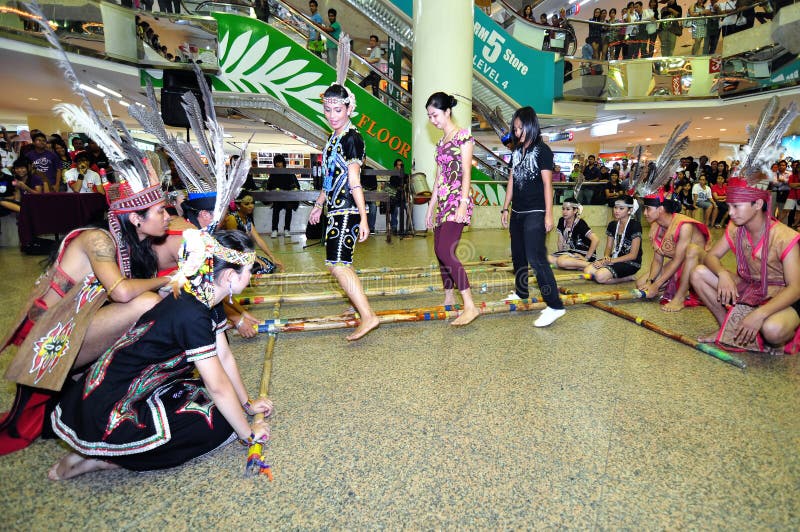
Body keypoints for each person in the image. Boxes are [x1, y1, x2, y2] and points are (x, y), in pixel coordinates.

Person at [48, 230, 273, 480]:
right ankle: (107, 459)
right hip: (112, 407)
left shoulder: (205, 297)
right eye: (249, 270)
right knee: (217, 423)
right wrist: (247, 434)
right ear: (230, 276)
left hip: (128, 389)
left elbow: (225, 357)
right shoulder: (193, 315)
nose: (252, 276)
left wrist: (246, 405)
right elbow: (219, 386)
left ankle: (101, 451)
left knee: (215, 403)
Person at [691, 178, 800, 353]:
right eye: (729, 206)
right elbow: (711, 256)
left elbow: (795, 288)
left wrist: (759, 314)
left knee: (773, 330)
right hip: (752, 287)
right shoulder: (735, 227)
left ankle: (777, 333)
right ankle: (725, 327)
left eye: (736, 206)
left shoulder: (785, 236)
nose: (731, 213)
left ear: (757, 204)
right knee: (698, 273)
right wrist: (722, 274)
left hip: (783, 293)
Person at [308, 84, 379, 340]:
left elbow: (354, 180)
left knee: (339, 265)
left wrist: (363, 217)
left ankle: (368, 316)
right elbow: (329, 177)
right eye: (327, 110)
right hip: (335, 209)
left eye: (337, 109)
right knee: (337, 264)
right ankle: (358, 306)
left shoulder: (351, 138)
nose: (332, 115)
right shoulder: (334, 138)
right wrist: (318, 205)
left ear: (349, 108)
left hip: (348, 209)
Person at [500, 106, 566, 327]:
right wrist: (504, 207)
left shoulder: (543, 150)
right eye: (515, 128)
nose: (518, 132)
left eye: (521, 128)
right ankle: (521, 292)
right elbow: (511, 180)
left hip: (536, 213)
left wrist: (549, 215)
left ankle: (555, 305)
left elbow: (548, 184)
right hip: (517, 212)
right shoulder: (516, 151)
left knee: (536, 258)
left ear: (530, 126)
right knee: (518, 255)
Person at [424, 92, 480, 327]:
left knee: (446, 250)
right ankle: (449, 294)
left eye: (435, 115)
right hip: (443, 202)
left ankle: (470, 305)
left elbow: (466, 172)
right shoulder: (441, 142)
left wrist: (463, 203)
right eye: (429, 116)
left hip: (458, 200)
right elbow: (439, 177)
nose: (432, 120)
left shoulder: (463, 137)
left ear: (447, 111)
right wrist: (430, 206)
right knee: (439, 250)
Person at [637, 192, 710, 311]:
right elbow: (657, 259)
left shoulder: (684, 226)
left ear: (660, 209)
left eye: (648, 209)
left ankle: (680, 298)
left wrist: (656, 284)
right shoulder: (656, 225)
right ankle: (669, 285)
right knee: (641, 284)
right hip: (680, 263)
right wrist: (650, 281)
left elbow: (678, 260)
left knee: (691, 250)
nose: (645, 213)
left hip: (697, 264)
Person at [585, 195, 642, 284]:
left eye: (621, 208)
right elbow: (608, 247)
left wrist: (611, 261)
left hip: (631, 262)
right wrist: (606, 258)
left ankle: (627, 278)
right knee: (588, 271)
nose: (616, 211)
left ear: (630, 210)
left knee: (599, 277)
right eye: (615, 207)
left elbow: (633, 255)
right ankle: (606, 275)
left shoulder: (635, 226)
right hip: (614, 258)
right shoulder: (612, 224)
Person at [226, 192, 283, 274]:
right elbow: (235, 244)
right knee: (260, 268)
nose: (251, 206)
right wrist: (253, 257)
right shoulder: (232, 218)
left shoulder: (247, 219)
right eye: (246, 204)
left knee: (270, 265)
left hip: (245, 254)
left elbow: (258, 239)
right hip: (232, 255)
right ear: (238, 206)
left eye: (252, 203)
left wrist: (272, 256)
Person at [548, 199, 600, 270]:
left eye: (568, 209)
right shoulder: (561, 221)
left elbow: (596, 240)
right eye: (563, 209)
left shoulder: (580, 223)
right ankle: (576, 265)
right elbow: (560, 241)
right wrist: (561, 254)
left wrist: (586, 258)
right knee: (548, 258)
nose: (564, 212)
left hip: (584, 252)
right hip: (573, 251)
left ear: (575, 211)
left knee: (561, 261)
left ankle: (591, 264)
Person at [266, 154, 300, 238]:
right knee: (276, 210)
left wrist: (293, 188)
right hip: (277, 197)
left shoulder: (288, 172)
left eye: (279, 162)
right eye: (276, 162)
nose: (278, 164)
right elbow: (269, 186)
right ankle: (274, 230)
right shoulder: (273, 174)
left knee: (289, 209)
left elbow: (295, 185)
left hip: (287, 197)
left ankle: (287, 229)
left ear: (283, 163)